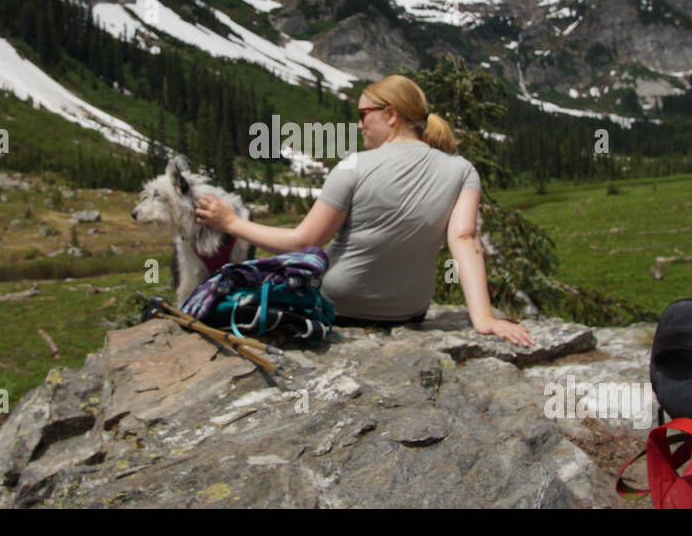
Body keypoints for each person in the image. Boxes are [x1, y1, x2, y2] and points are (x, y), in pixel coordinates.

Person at [194, 74, 533, 347]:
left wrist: (231, 221)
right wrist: (484, 318)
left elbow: (303, 242)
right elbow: (464, 238)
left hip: (337, 306)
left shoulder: (353, 166)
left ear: (391, 115)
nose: (359, 125)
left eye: (363, 115)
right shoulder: (462, 170)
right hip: (409, 309)